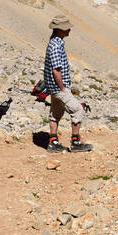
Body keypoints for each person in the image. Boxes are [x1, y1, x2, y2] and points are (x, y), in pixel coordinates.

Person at [43, 15, 88, 152]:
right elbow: (56, 70)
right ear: (60, 30)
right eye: (66, 27)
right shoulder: (56, 46)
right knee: (77, 110)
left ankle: (53, 142)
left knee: (55, 115)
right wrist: (63, 88)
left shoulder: (54, 42)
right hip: (58, 88)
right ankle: (75, 142)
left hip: (53, 88)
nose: (69, 29)